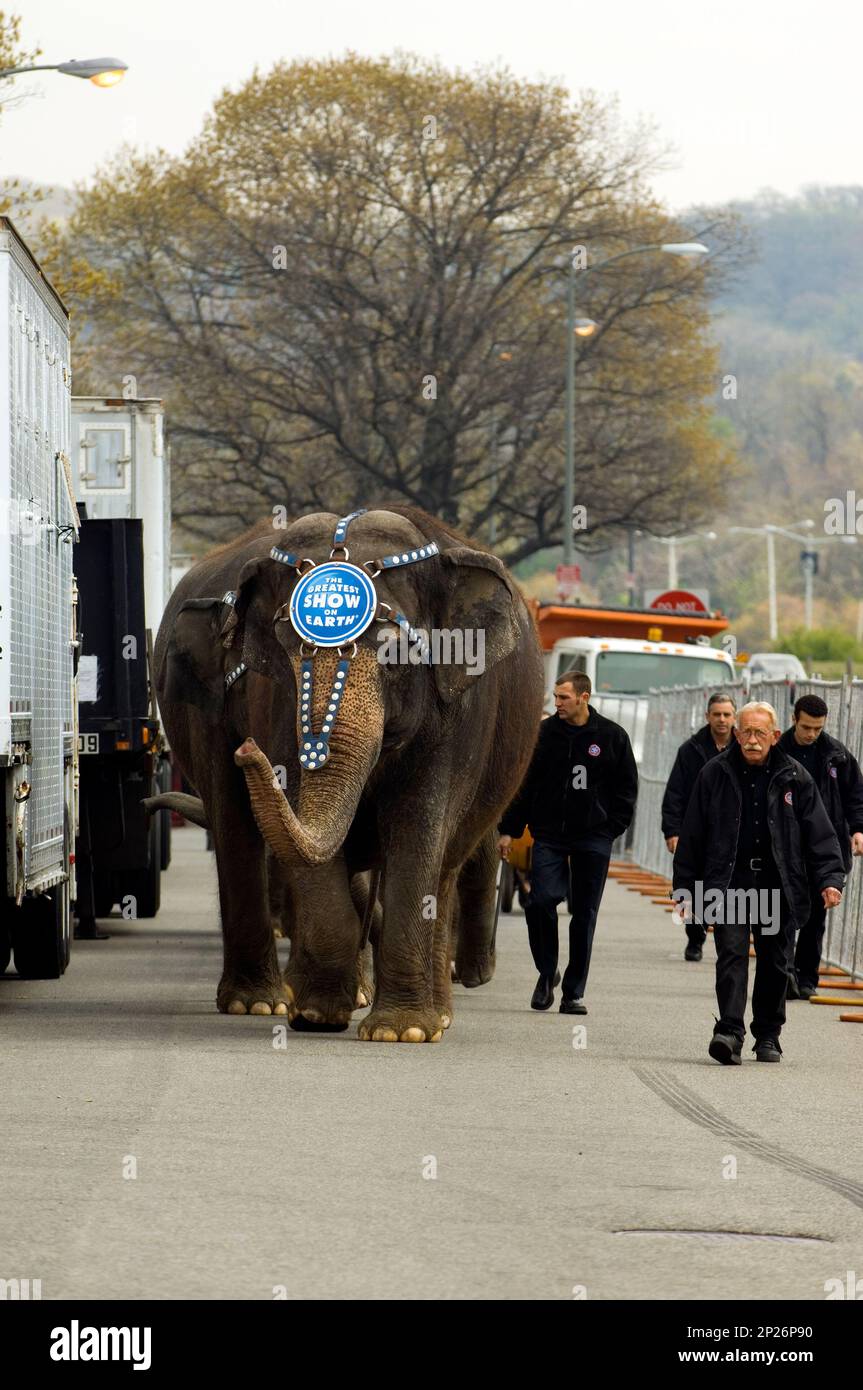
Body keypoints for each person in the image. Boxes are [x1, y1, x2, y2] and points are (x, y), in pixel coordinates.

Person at [673, 701, 844, 1065]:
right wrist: (685, 889)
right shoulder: (713, 773)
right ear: (736, 734)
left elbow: (819, 834)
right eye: (746, 732)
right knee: (731, 954)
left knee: (775, 961)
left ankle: (767, 1034)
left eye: (759, 733)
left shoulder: (795, 777)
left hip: (776, 884)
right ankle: (730, 1031)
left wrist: (830, 879)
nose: (752, 740)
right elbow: (693, 835)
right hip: (730, 881)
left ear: (774, 736)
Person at [497, 671, 638, 1015]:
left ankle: (573, 992)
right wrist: (509, 829)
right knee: (541, 901)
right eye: (555, 697)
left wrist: (610, 828)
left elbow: (627, 789)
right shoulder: (543, 736)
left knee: (584, 914)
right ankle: (547, 973)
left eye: (563, 697)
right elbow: (524, 786)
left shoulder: (611, 736)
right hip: (550, 834)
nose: (556, 703)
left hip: (593, 837)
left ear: (583, 697)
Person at [778, 694, 863, 997]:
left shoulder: (836, 753)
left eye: (817, 728)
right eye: (805, 727)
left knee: (816, 915)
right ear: (793, 720)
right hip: (786, 844)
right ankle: (783, 973)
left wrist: (858, 830)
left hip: (825, 845)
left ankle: (806, 978)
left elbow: (855, 795)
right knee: (784, 912)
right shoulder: (778, 750)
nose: (811, 734)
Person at [661, 691, 737, 962]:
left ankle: (723, 935)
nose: (722, 719)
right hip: (695, 830)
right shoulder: (691, 750)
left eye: (727, 714)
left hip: (730, 831)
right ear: (707, 716)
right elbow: (675, 793)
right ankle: (695, 937)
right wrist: (672, 831)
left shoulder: (743, 749)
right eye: (717, 714)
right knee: (692, 886)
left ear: (734, 717)